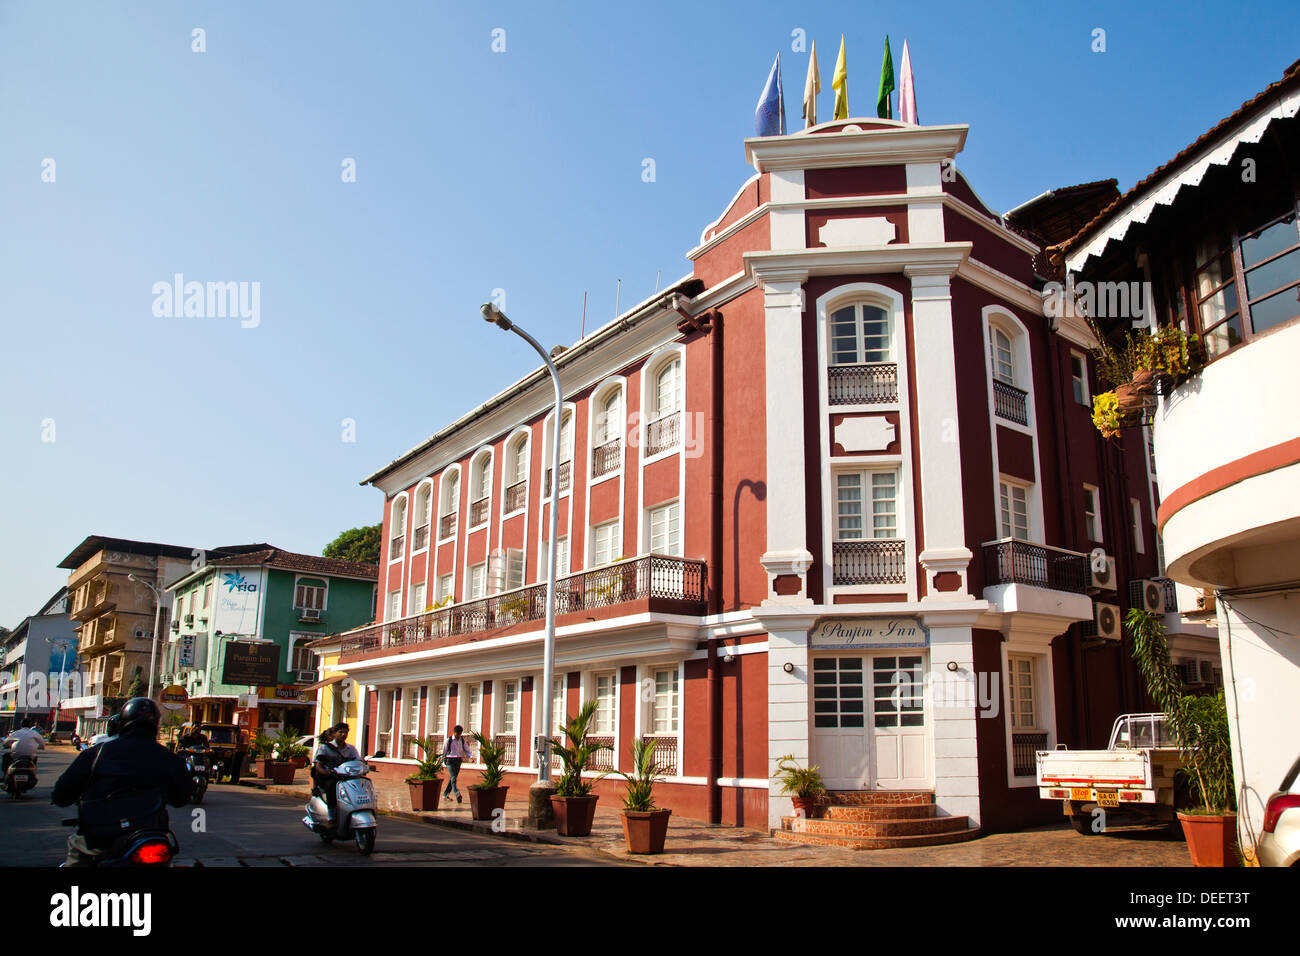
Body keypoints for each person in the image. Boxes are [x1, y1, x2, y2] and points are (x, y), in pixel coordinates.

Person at [51, 698, 193, 866]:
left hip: (100, 838)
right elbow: (181, 799)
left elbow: (61, 796)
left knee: (77, 850)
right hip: (149, 836)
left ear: (123, 723)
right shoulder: (170, 759)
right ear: (155, 723)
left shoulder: (96, 754)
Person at [311, 724, 361, 821]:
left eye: (346, 732)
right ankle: (331, 817)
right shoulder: (325, 748)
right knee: (332, 788)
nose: (343, 734)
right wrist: (326, 772)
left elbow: (358, 761)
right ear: (334, 734)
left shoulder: (351, 749)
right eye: (341, 732)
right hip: (331, 777)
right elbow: (318, 765)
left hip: (346, 777)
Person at [442, 725, 472, 804]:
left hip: (458, 760)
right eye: (457, 734)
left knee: (452, 778)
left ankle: (445, 794)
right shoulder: (449, 740)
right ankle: (457, 793)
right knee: (454, 778)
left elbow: (467, 749)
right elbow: (444, 751)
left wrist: (470, 757)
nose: (459, 735)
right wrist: (442, 761)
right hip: (450, 760)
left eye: (460, 734)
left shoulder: (462, 740)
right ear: (454, 732)